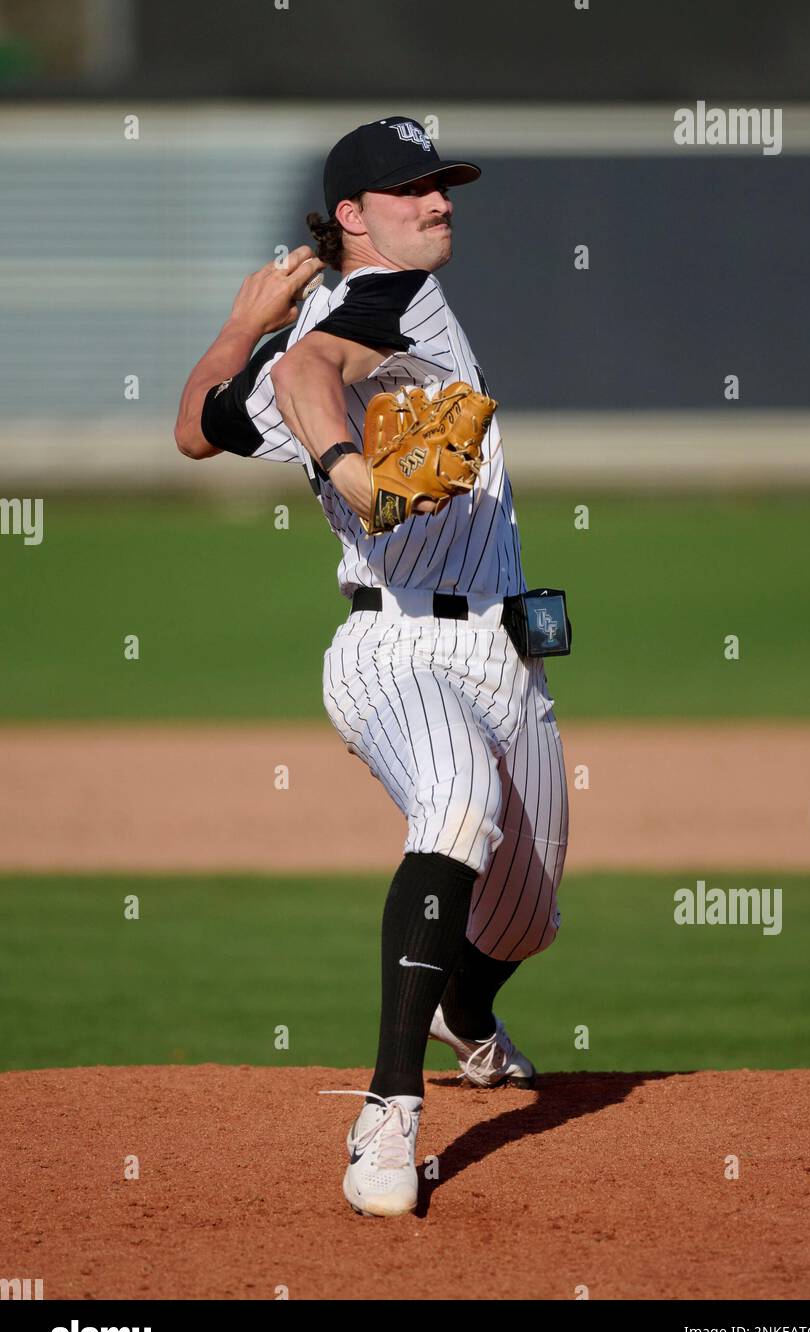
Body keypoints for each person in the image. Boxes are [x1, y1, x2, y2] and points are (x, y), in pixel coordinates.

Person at [175, 116, 569, 1219]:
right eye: (411, 190)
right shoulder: (378, 297)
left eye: (442, 185)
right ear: (352, 217)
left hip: (499, 646)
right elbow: (309, 369)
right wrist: (353, 473)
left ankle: (466, 1019)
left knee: (524, 921)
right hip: (390, 642)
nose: (439, 203)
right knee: (450, 803)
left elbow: (198, 427)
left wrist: (237, 325)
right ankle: (390, 1111)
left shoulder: (348, 305)